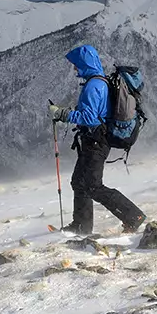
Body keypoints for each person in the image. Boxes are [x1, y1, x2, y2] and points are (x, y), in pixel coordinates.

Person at [49, 44, 146, 234]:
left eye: (76, 64)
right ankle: (81, 226)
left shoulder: (94, 85)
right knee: (79, 182)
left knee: (93, 186)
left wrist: (62, 114)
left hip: (96, 141)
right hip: (93, 140)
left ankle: (133, 216)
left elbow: (90, 118)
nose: (75, 68)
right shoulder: (98, 82)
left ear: (84, 63)